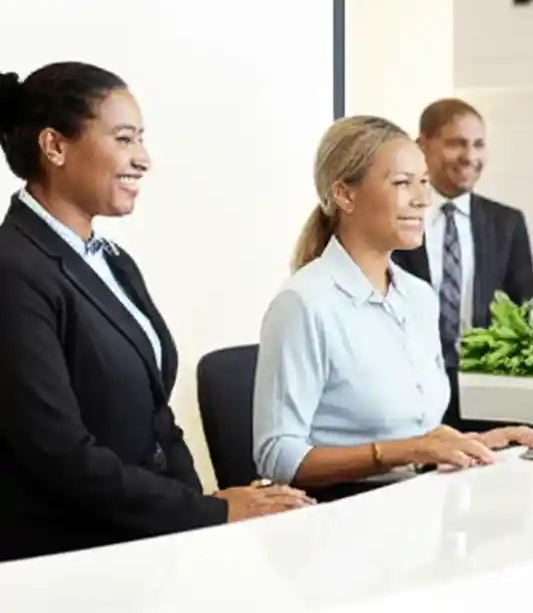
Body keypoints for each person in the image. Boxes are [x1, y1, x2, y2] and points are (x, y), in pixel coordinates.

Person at [0, 62, 311, 562]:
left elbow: (156, 417)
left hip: (145, 539)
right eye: (124, 139)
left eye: (141, 139)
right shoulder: (13, 268)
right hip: (68, 557)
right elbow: (59, 453)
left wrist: (199, 514)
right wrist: (209, 513)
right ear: (54, 146)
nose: (143, 159)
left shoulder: (113, 261)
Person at [253, 115, 533, 503]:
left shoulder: (418, 296)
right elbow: (278, 457)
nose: (423, 199)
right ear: (345, 195)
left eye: (423, 182)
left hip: (416, 506)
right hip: (343, 519)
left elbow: (417, 435)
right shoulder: (304, 304)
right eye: (402, 183)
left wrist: (472, 443)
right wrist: (407, 451)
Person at [392, 98, 533, 427]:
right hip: (409, 393)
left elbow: (525, 308)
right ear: (423, 144)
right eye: (457, 143)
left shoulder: (507, 223)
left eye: (478, 145)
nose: (470, 157)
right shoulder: (398, 219)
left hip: (485, 395)